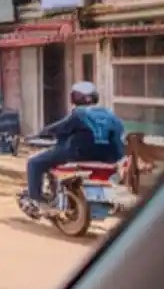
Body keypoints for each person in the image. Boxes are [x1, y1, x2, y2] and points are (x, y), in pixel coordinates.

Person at [24, 81, 126, 213]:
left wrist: (40, 133)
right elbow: (119, 133)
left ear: (75, 97)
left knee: (34, 163)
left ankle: (37, 199)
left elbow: (58, 128)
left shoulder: (79, 114)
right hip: (110, 157)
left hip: (78, 154)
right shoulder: (110, 114)